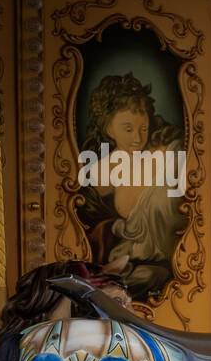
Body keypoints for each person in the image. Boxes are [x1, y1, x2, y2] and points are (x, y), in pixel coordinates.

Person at [78, 72, 186, 299]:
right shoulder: (100, 172)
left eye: (143, 128)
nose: (137, 138)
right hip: (125, 262)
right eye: (128, 129)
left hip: (166, 264)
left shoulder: (164, 153)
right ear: (109, 129)